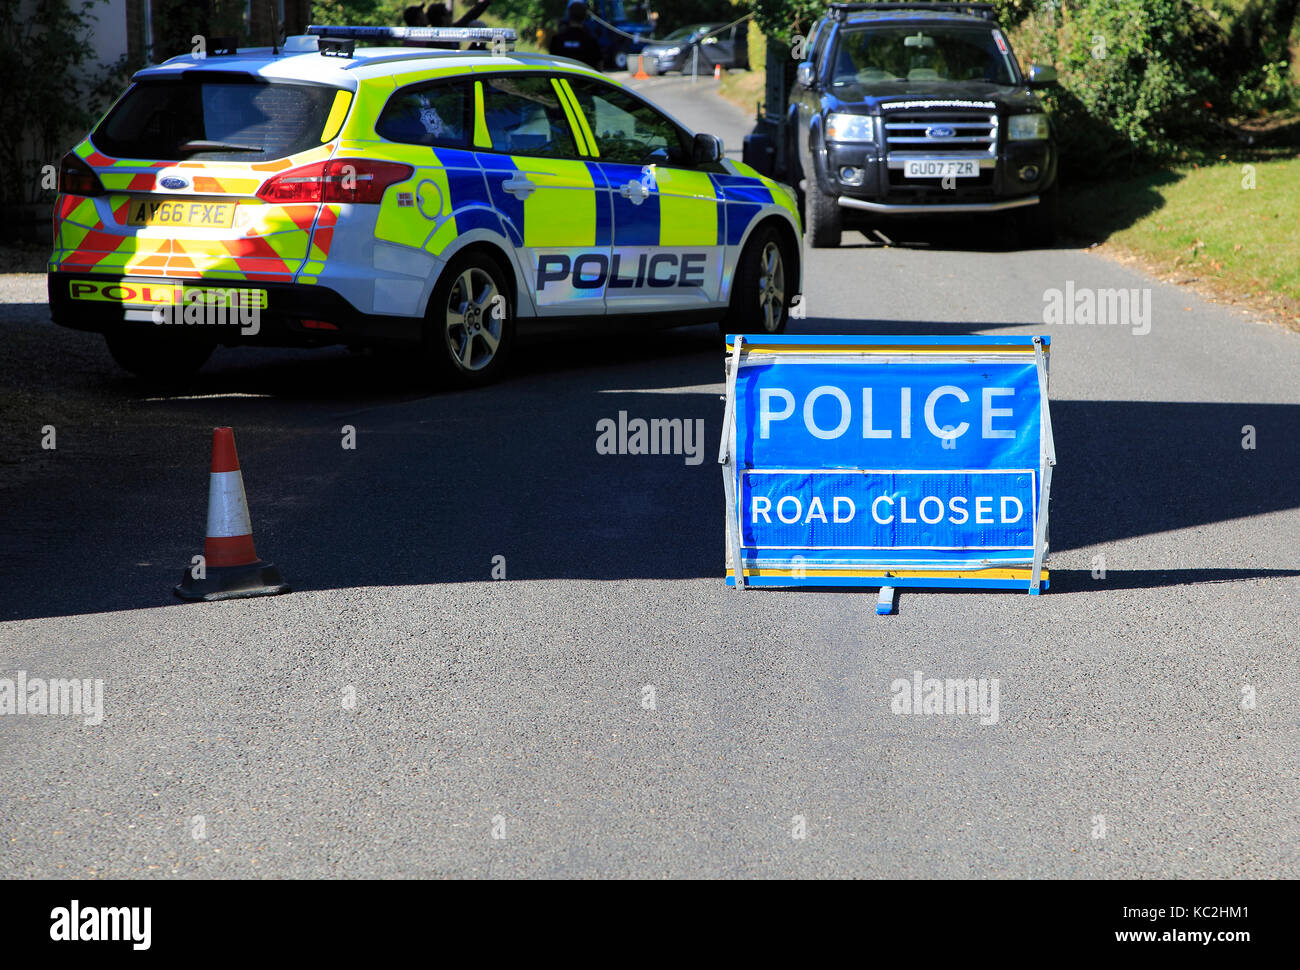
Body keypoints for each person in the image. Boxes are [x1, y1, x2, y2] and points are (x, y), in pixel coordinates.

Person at [548, 1, 602, 70]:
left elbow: (551, 64)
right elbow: (599, 66)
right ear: (585, 16)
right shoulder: (591, 41)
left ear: (569, 15)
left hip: (561, 79)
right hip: (585, 80)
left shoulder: (557, 39)